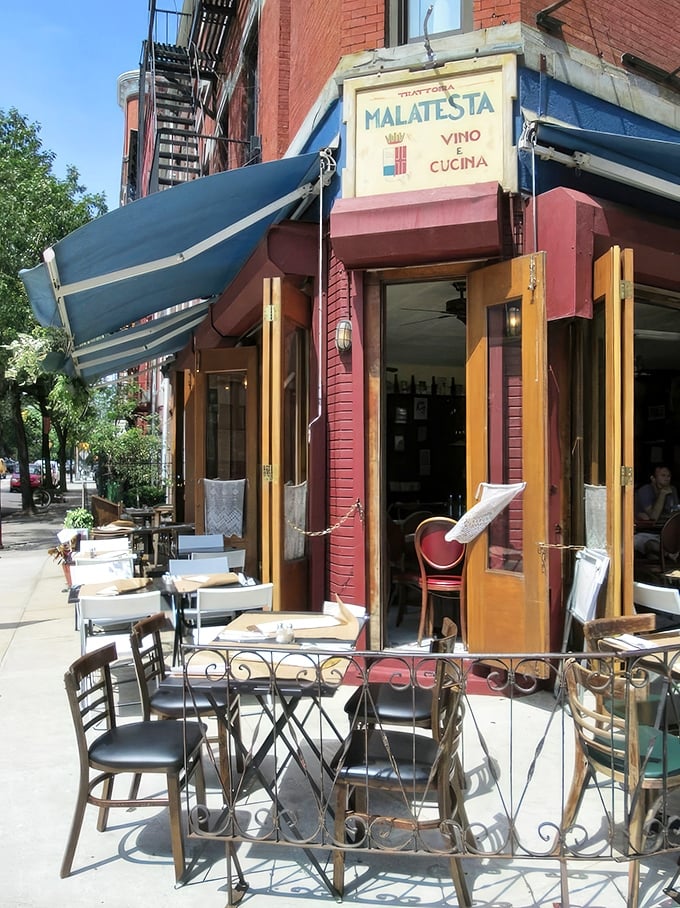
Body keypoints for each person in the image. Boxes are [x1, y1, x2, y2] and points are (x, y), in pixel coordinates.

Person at [634, 465, 679, 557]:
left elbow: (675, 512)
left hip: (667, 532)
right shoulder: (645, 490)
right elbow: (653, 517)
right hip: (646, 533)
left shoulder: (672, 489)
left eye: (668, 476)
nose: (666, 479)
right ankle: (668, 554)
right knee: (648, 544)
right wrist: (662, 495)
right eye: (663, 475)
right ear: (653, 478)